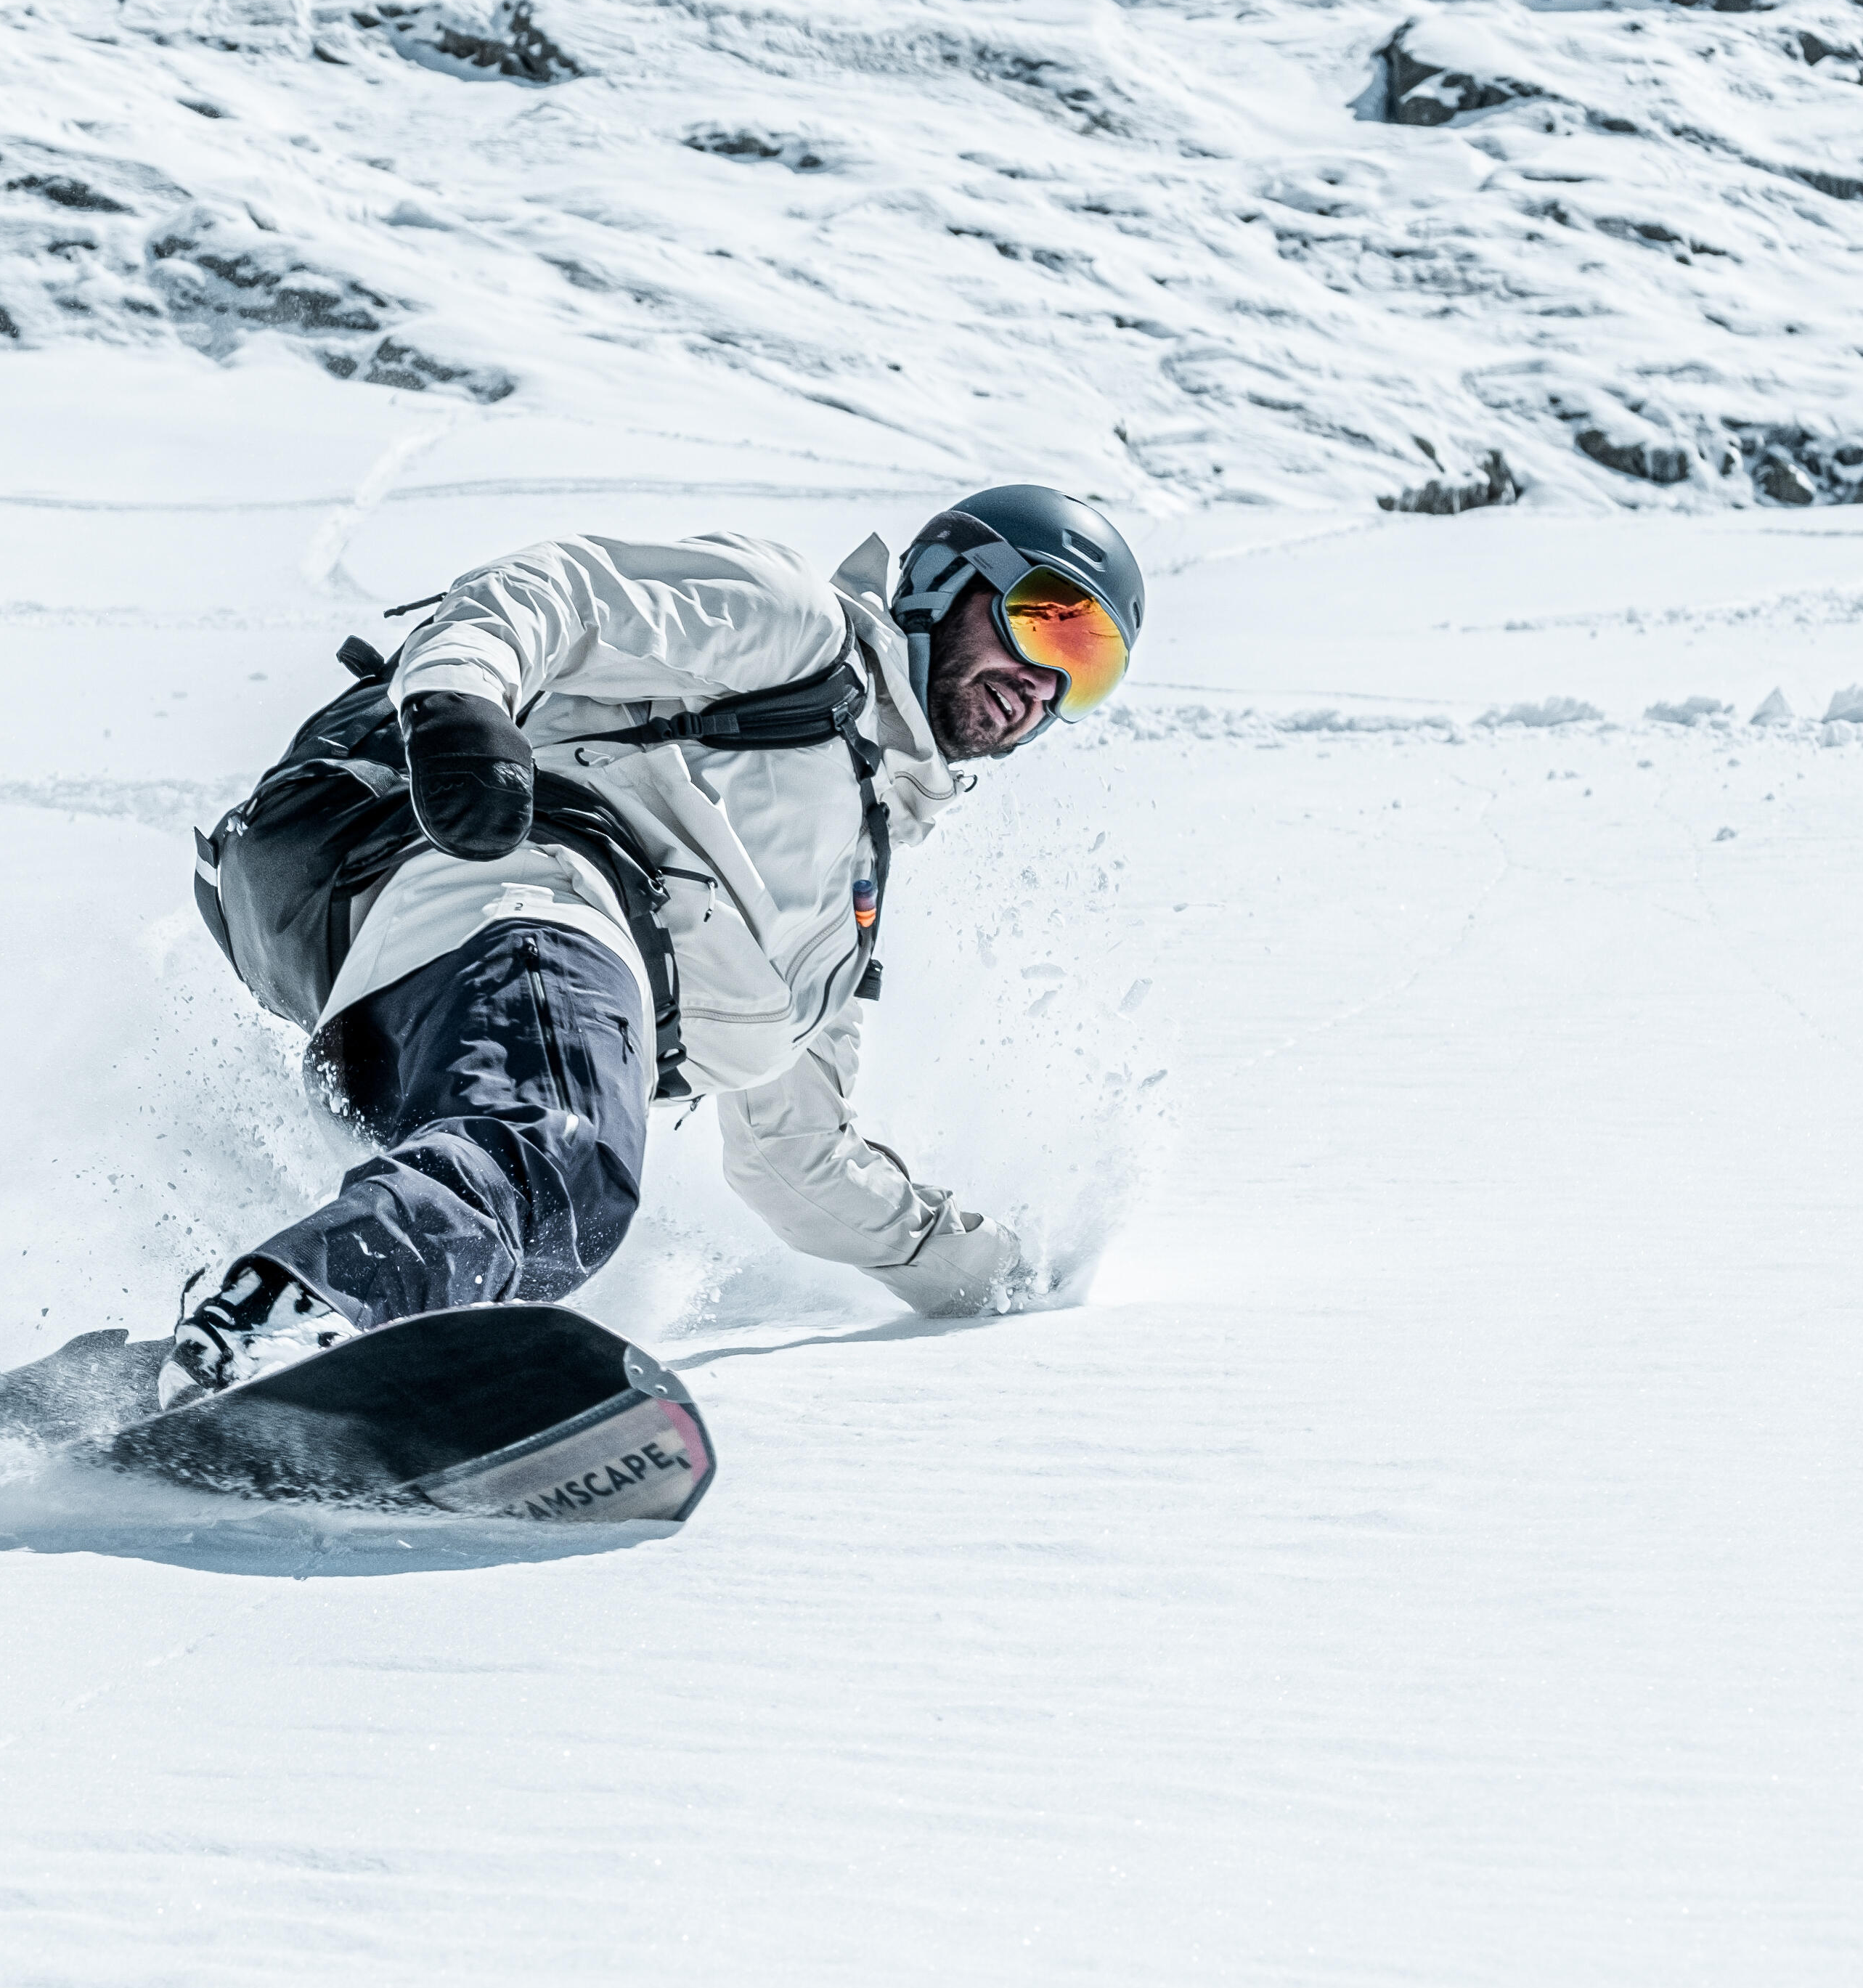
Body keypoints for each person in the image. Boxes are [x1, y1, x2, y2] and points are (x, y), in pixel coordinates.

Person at [167, 483, 1146, 1402]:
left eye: (1089, 669)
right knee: (556, 1156)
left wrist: (998, 1279)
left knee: (549, 1219)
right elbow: (563, 590)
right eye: (1046, 619)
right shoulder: (801, 628)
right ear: (946, 583)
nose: (1044, 679)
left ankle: (243, 1364)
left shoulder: (845, 899)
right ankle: (276, 1328)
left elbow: (796, 1161)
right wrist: (457, 702)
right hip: (504, 887)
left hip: (409, 981)